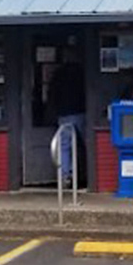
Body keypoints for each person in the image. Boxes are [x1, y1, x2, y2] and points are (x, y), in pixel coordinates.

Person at [47, 50, 85, 187]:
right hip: (82, 112)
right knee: (87, 144)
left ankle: (65, 176)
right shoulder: (83, 72)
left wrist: (52, 113)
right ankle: (88, 175)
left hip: (64, 114)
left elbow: (51, 94)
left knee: (64, 146)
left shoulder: (59, 74)